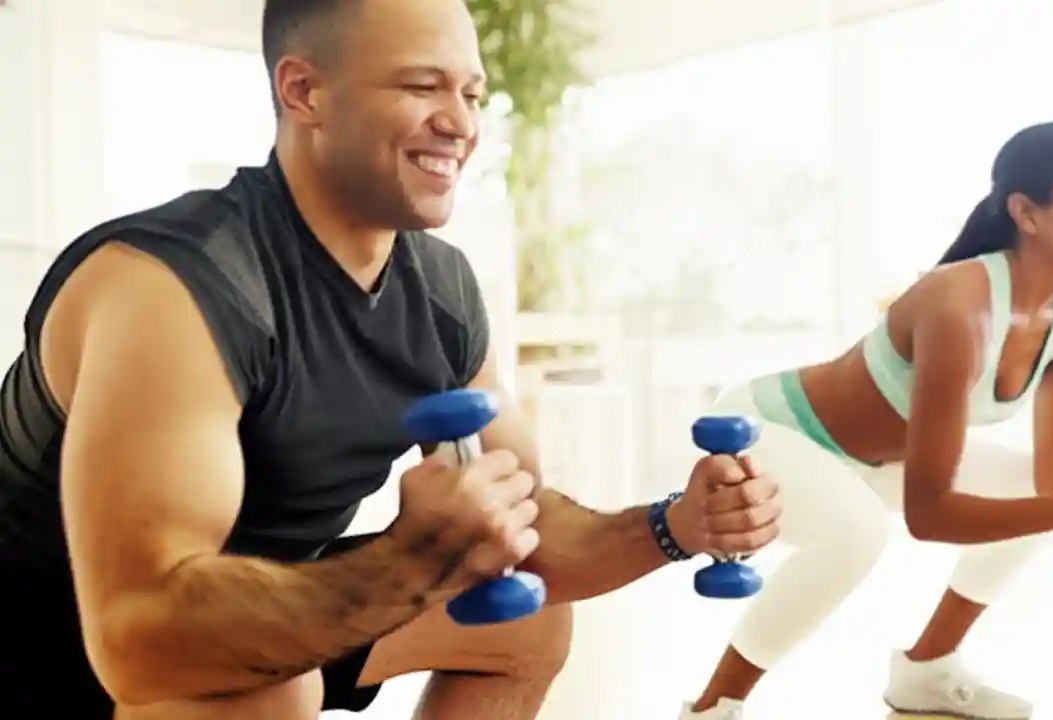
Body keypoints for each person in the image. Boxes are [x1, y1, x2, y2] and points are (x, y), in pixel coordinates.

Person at [0, 0, 784, 717]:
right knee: (273, 692)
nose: (460, 123)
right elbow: (136, 641)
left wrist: (677, 525)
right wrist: (408, 566)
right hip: (71, 650)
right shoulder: (171, 287)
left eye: (471, 95)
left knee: (526, 614)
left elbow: (523, 526)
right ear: (304, 91)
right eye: (422, 87)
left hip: (260, 609)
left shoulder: (438, 289)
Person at [677, 121, 1053, 720]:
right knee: (856, 533)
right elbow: (930, 515)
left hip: (873, 459)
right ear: (1027, 213)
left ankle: (926, 670)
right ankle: (712, 709)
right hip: (765, 431)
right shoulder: (958, 306)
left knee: (1028, 489)